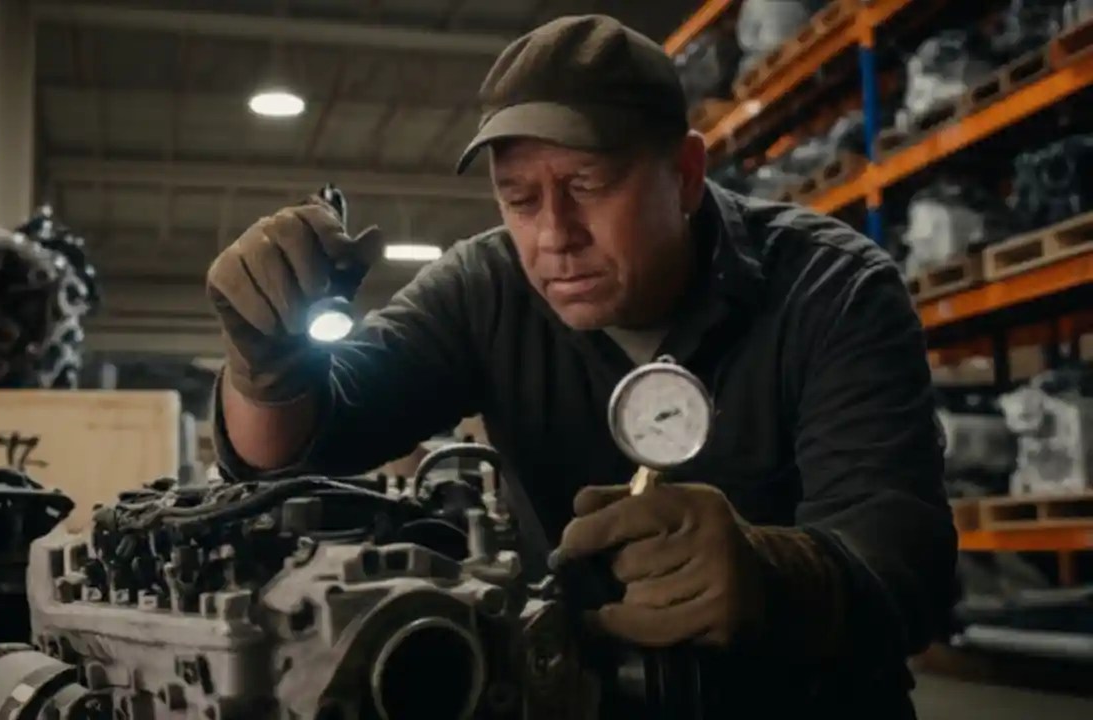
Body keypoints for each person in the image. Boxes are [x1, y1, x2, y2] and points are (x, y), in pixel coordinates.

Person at [204, 13, 957, 719]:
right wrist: (265, 365)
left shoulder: (833, 289)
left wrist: (773, 576)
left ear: (687, 174)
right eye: (520, 199)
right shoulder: (485, 287)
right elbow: (309, 442)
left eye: (588, 186)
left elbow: (907, 567)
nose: (554, 235)